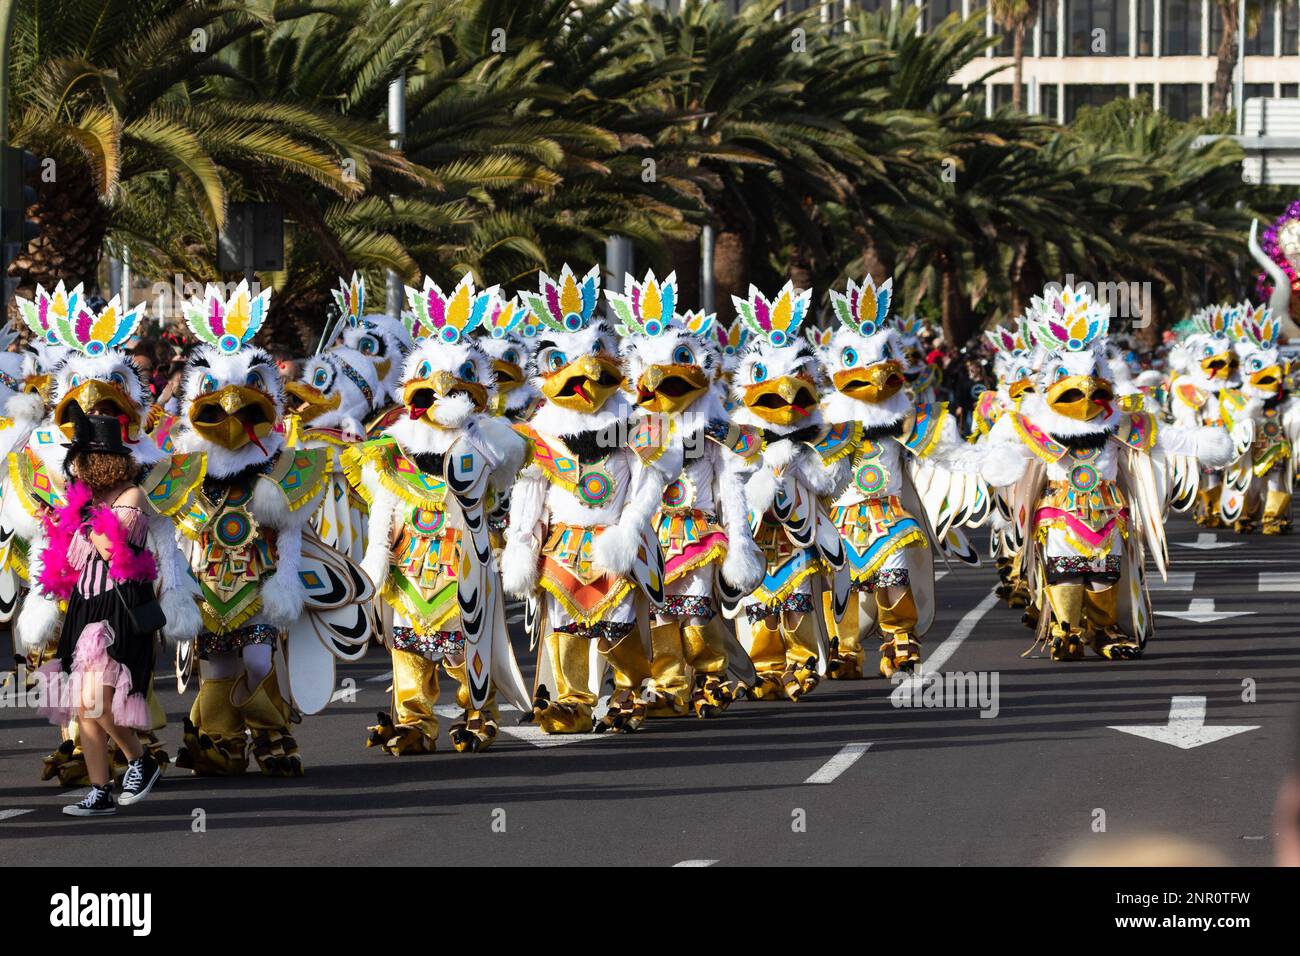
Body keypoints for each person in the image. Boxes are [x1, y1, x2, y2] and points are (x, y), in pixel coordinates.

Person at [35, 405, 165, 816]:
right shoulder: (88, 503)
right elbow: (75, 563)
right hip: (85, 607)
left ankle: (139, 759)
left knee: (98, 702)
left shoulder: (132, 496)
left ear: (100, 462)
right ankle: (100, 790)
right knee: (84, 709)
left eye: (81, 461)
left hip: (118, 609)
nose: (74, 470)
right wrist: (58, 523)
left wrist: (85, 521)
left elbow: (115, 550)